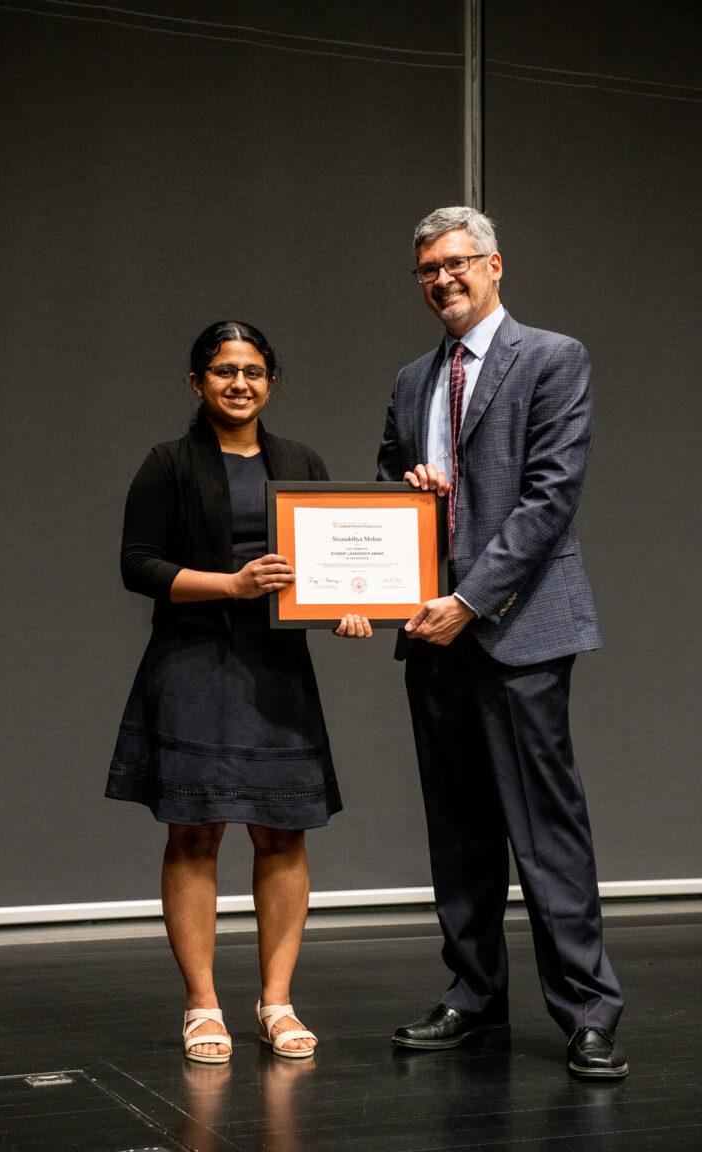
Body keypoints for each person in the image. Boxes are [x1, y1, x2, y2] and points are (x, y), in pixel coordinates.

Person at [377, 207, 627, 1079]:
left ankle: (589, 1012)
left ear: (493, 266)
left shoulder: (552, 358)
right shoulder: (413, 379)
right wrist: (404, 490)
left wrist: (471, 600)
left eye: (454, 264)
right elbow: (385, 484)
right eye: (426, 270)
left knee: (545, 826)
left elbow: (551, 498)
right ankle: (474, 994)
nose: (440, 280)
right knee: (459, 828)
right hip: (431, 633)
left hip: (517, 627)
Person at [106, 320, 371, 1065]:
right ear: (197, 384)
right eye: (223, 371)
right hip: (191, 662)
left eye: (253, 371)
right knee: (193, 832)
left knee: (283, 833)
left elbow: (326, 563)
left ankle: (277, 1003)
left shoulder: (299, 460)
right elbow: (138, 565)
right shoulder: (168, 463)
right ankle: (202, 1005)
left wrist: (349, 608)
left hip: (277, 668)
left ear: (271, 382)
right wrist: (231, 583)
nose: (239, 383)